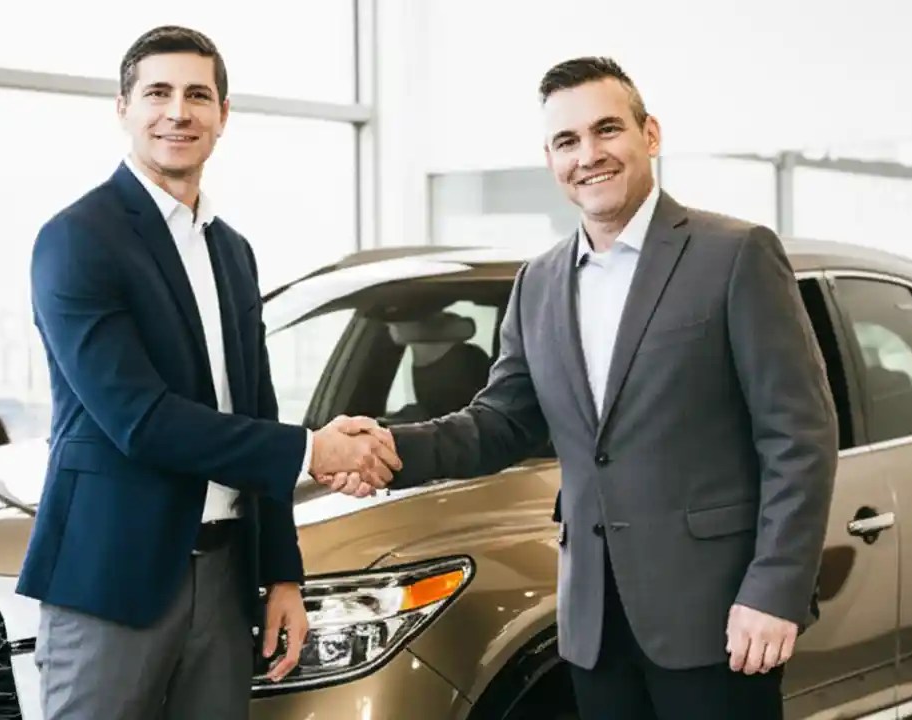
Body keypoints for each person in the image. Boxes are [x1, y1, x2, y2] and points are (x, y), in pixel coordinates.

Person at [327, 57, 838, 719]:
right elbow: (502, 422)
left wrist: (774, 591)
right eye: (567, 142)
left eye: (606, 131)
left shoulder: (734, 255)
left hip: (717, 618)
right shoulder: (538, 282)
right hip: (594, 625)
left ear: (649, 134)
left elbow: (799, 437)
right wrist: (386, 450)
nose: (588, 155)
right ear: (549, 159)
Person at [14, 25, 400, 720]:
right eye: (157, 92)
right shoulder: (77, 239)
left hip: (225, 579)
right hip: (113, 576)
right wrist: (318, 450)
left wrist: (282, 571)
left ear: (223, 117)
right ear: (123, 108)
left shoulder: (232, 251)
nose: (178, 112)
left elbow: (255, 410)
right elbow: (142, 421)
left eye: (198, 95)